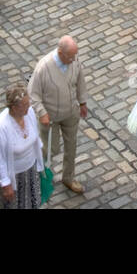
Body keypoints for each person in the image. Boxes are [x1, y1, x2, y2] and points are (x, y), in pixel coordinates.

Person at [28, 36, 89, 196]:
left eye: (75, 56)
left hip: (70, 112)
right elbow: (33, 94)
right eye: (71, 56)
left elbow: (80, 81)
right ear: (61, 53)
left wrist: (82, 102)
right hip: (51, 118)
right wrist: (42, 113)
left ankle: (68, 177)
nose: (74, 59)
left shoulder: (74, 61)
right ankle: (39, 177)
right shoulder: (44, 67)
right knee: (50, 150)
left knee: (71, 146)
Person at [0, 83, 44, 210]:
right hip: (14, 177)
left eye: (28, 103)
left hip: (30, 172)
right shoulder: (2, 127)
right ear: (14, 108)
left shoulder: (28, 113)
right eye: (25, 105)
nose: (29, 106)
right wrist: (5, 184)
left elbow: (35, 137)